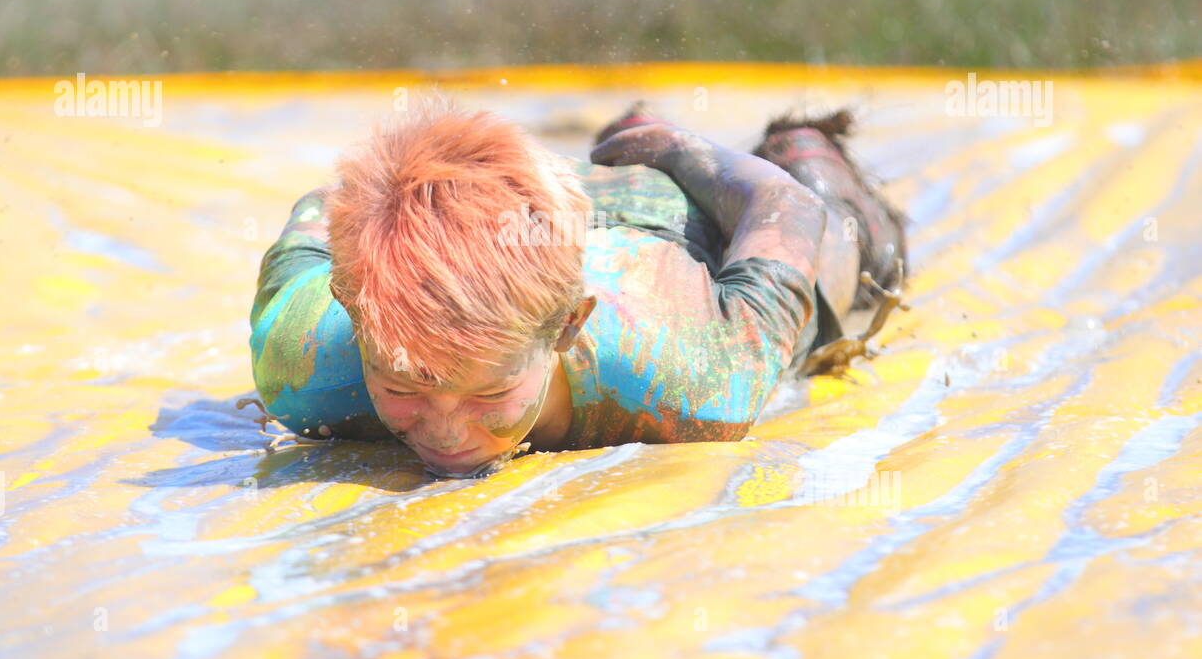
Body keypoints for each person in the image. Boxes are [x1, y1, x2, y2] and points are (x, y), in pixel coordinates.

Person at [247, 94, 907, 478]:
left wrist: (680, 153)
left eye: (490, 391)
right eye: (403, 388)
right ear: (347, 307)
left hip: (679, 215)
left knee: (849, 260)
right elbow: (328, 203)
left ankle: (776, 142)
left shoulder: (690, 378)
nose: (445, 433)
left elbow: (786, 207)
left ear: (570, 325)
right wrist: (411, 202)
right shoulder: (300, 353)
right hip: (543, 199)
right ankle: (618, 144)